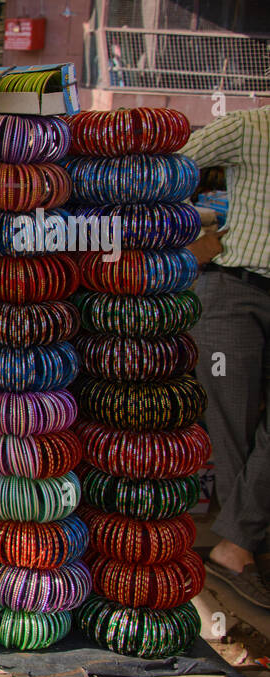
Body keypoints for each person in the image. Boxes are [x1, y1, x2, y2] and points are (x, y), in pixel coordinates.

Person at [183, 104, 270, 608]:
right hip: (235, 290)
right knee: (230, 418)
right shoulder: (250, 127)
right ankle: (241, 550)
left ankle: (237, 541)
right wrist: (196, 241)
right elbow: (164, 173)